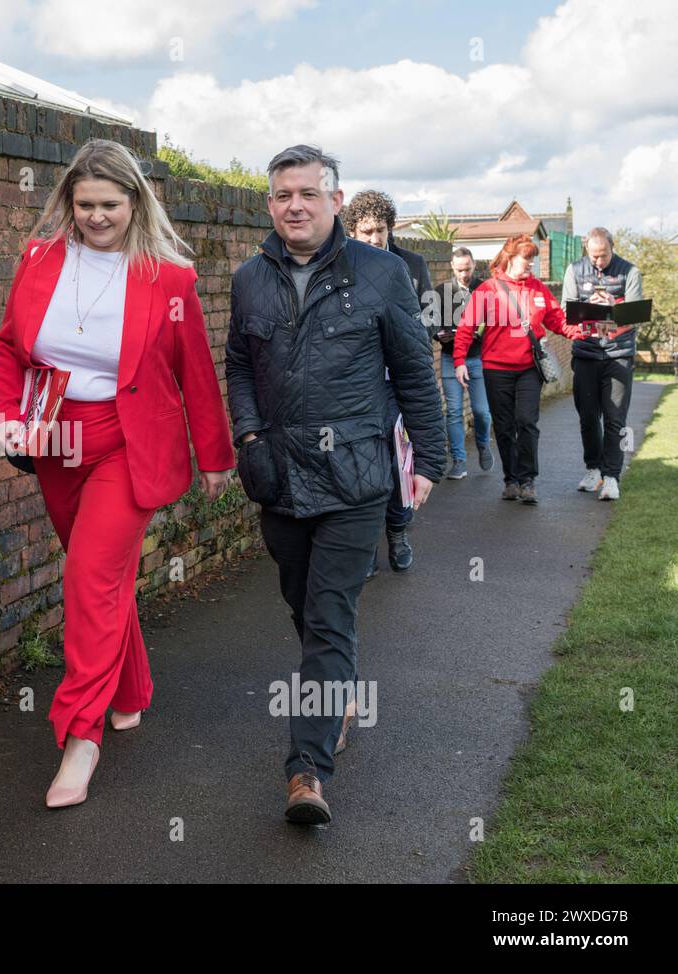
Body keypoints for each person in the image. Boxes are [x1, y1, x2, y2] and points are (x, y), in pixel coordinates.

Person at [0, 138, 234, 808]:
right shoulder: (39, 259)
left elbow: (196, 374)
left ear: (135, 202)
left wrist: (215, 456)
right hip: (58, 440)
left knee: (89, 576)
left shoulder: (170, 277)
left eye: (110, 205)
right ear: (67, 200)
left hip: (131, 443)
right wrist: (5, 413)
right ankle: (129, 691)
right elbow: (9, 345)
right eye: (84, 203)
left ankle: (80, 736)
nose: (96, 217)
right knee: (102, 579)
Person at [225, 146, 446, 825]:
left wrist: (429, 460)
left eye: (308, 193)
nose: (295, 204)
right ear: (270, 204)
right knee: (304, 608)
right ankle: (339, 688)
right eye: (283, 194)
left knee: (328, 616)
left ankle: (307, 770)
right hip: (280, 479)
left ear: (335, 200)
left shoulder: (381, 274)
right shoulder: (249, 280)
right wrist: (250, 438)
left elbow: (412, 371)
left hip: (356, 478)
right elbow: (237, 365)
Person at [453, 234, 587, 504]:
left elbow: (559, 322)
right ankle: (510, 480)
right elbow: (466, 327)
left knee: (526, 422)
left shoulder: (538, 289)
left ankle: (528, 481)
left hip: (529, 368)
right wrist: (459, 361)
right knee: (503, 426)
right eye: (527, 259)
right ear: (510, 258)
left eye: (533, 260)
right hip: (495, 368)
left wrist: (583, 331)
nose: (531, 265)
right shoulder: (488, 290)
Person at [341, 190, 432, 576]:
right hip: (356, 384)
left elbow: (426, 322)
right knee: (359, 466)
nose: (375, 238)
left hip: (397, 383)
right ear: (352, 232)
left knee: (397, 463)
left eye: (381, 230)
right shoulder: (340, 265)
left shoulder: (411, 264)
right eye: (366, 232)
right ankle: (364, 550)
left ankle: (398, 532)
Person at [561, 227, 644, 501]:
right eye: (594, 256)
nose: (599, 261)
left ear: (612, 248)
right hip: (586, 353)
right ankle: (593, 469)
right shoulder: (574, 270)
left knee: (615, 417)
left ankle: (611, 477)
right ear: (587, 251)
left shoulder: (629, 272)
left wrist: (611, 305)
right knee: (587, 416)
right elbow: (567, 313)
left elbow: (634, 313)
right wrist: (589, 307)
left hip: (618, 354)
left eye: (604, 255)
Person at [428, 246, 493, 479]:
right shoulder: (441, 292)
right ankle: (458, 461)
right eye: (460, 270)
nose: (464, 274)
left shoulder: (485, 289)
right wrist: (439, 335)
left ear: (474, 265)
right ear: (452, 267)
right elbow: (430, 323)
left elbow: (494, 322)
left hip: (478, 358)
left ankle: (484, 443)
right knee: (454, 412)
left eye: (468, 269)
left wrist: (480, 331)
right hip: (449, 358)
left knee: (482, 412)